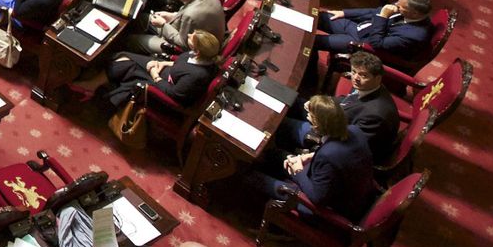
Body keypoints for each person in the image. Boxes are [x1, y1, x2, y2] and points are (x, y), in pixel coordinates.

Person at [247, 96, 376, 223]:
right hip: (350, 191)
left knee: (254, 177)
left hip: (327, 211)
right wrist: (308, 156)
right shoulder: (354, 131)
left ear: (318, 125)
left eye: (310, 115)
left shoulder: (328, 155)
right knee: (276, 155)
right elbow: (342, 156)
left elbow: (317, 197)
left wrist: (298, 170)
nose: (307, 116)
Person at [283, 51, 400, 162]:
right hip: (334, 119)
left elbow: (350, 146)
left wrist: (319, 124)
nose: (356, 78)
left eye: (363, 75)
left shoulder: (376, 116)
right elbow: (346, 100)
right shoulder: (368, 86)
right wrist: (320, 103)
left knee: (283, 124)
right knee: (292, 99)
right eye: (354, 72)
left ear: (378, 78)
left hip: (332, 136)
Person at [104, 29, 220, 111]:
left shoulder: (196, 75)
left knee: (128, 65)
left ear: (198, 51)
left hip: (163, 87)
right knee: (124, 58)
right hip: (166, 71)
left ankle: (104, 97)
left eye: (191, 38)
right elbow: (180, 62)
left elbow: (174, 93)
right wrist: (161, 63)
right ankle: (100, 83)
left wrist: (155, 76)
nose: (189, 35)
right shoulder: (199, 56)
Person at [316, 0, 434, 60]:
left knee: (314, 41)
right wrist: (344, 13)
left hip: (361, 43)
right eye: (397, 1)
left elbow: (377, 44)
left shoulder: (414, 36)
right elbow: (374, 11)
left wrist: (383, 17)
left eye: (400, 6)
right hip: (359, 27)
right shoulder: (405, 8)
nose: (396, 5)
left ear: (414, 13)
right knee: (318, 16)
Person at [125, 0, 225, 55]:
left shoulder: (190, 15)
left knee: (133, 40)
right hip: (197, 31)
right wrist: (173, 15)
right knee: (143, 18)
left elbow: (182, 43)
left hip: (195, 49)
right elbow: (190, 12)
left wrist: (163, 25)